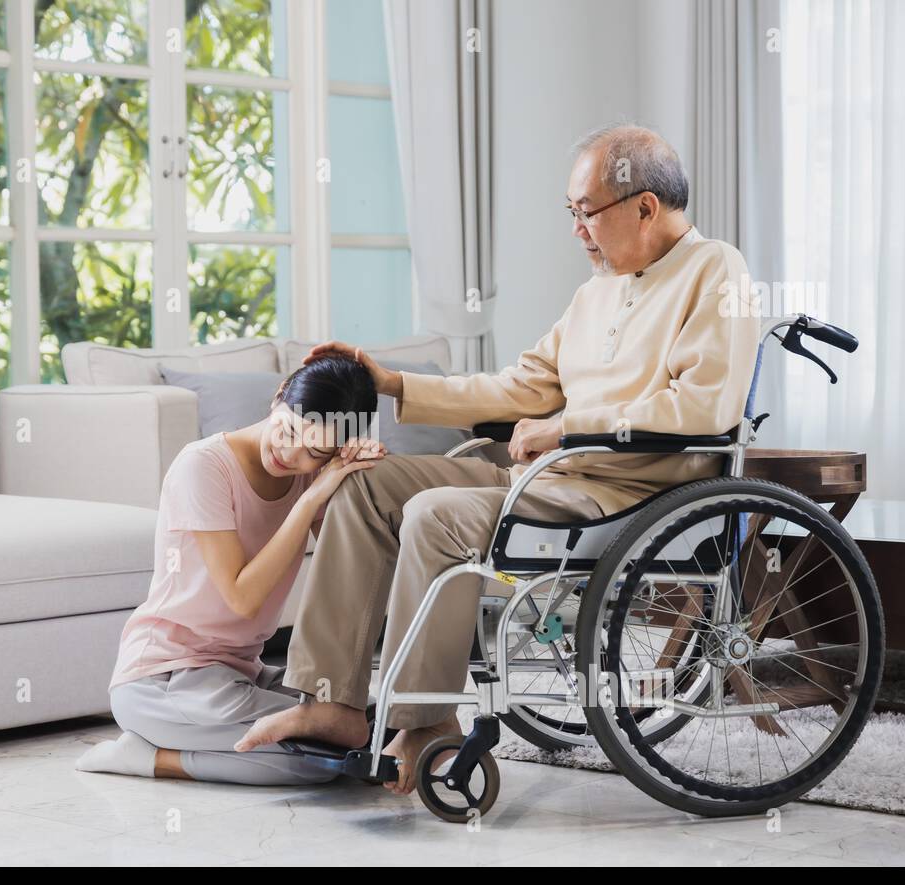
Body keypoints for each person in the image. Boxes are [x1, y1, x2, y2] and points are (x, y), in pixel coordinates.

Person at [234, 123, 763, 795]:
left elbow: (704, 407)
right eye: (569, 213)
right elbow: (517, 388)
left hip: (623, 496)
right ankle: (333, 699)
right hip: (547, 478)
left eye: (585, 212)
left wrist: (568, 427)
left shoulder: (718, 272)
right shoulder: (596, 292)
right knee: (360, 485)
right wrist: (391, 381)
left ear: (645, 207)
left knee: (433, 514)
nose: (576, 231)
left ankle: (424, 722)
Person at [77, 356, 386, 785]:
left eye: (315, 452)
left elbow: (347, 561)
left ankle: (293, 728)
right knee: (313, 761)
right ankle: (147, 757)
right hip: (163, 678)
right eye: (289, 429)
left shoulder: (310, 474)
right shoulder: (203, 467)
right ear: (280, 395)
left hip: (241, 671)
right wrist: (311, 498)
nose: (290, 453)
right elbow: (241, 598)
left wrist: (358, 477)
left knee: (373, 722)